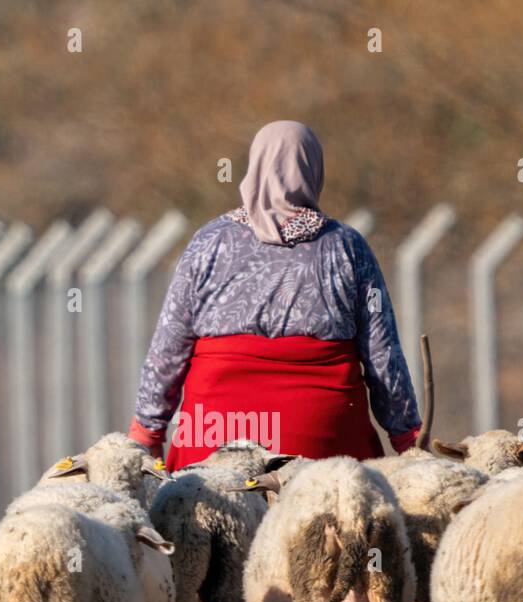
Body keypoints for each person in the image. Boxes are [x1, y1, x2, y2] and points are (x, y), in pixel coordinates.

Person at [127, 120, 421, 469]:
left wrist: (147, 432)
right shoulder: (345, 246)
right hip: (321, 437)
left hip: (214, 434)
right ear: (313, 170)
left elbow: (168, 348)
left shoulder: (209, 243)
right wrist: (408, 437)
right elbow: (382, 353)